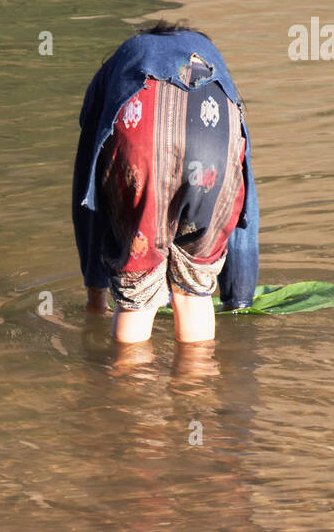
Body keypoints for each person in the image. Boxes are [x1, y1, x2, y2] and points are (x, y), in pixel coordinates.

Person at [72, 22, 259, 344]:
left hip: (141, 140)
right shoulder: (215, 65)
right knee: (193, 291)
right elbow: (245, 201)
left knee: (139, 299)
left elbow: (88, 191)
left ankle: (129, 389)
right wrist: (238, 297)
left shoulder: (121, 62)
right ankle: (195, 388)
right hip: (214, 141)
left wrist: (96, 296)